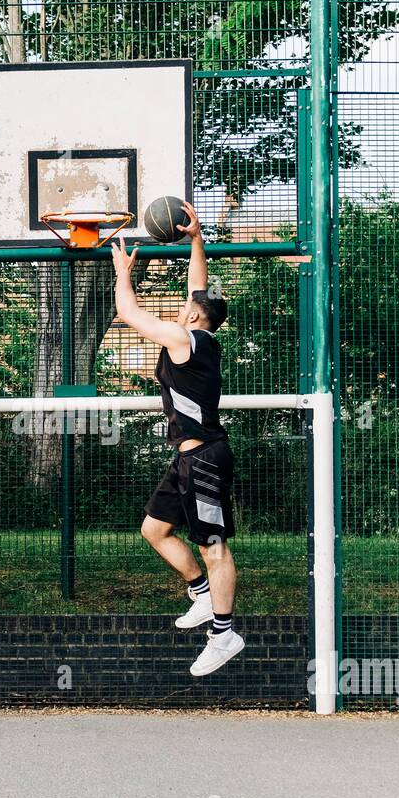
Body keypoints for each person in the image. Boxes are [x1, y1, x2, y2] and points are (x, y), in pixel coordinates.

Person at [110, 202, 243, 676]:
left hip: (204, 458)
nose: (185, 302)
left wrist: (124, 269)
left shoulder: (184, 339)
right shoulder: (200, 336)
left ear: (192, 316)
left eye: (187, 304)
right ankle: (202, 596)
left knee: (214, 548)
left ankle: (225, 634)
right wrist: (195, 240)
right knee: (154, 529)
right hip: (186, 459)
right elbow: (200, 287)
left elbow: (126, 311)